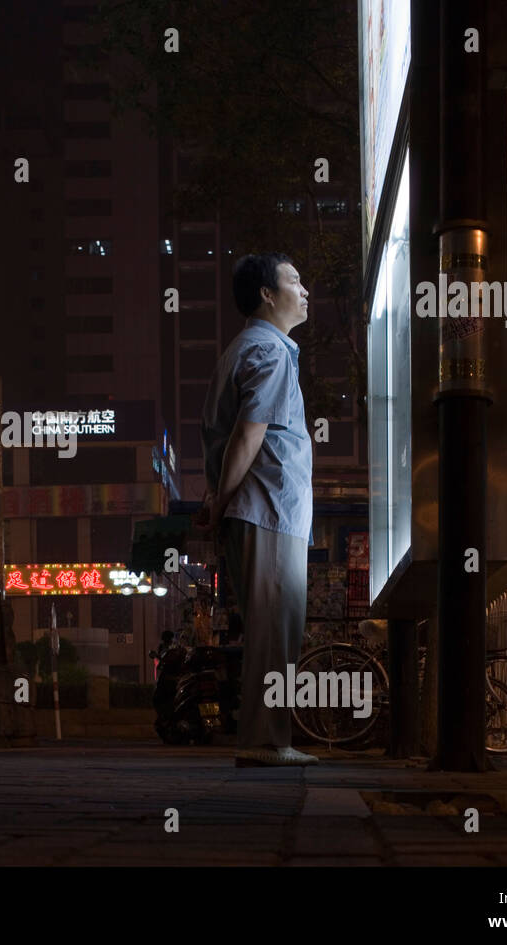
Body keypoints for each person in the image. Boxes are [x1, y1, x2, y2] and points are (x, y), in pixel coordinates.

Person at [196, 253, 318, 768]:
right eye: (294, 279)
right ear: (267, 295)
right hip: (267, 509)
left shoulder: (249, 348)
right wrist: (220, 502)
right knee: (274, 630)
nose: (305, 289)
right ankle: (267, 742)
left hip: (265, 511)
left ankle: (267, 737)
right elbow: (249, 435)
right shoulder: (267, 352)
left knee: (274, 628)